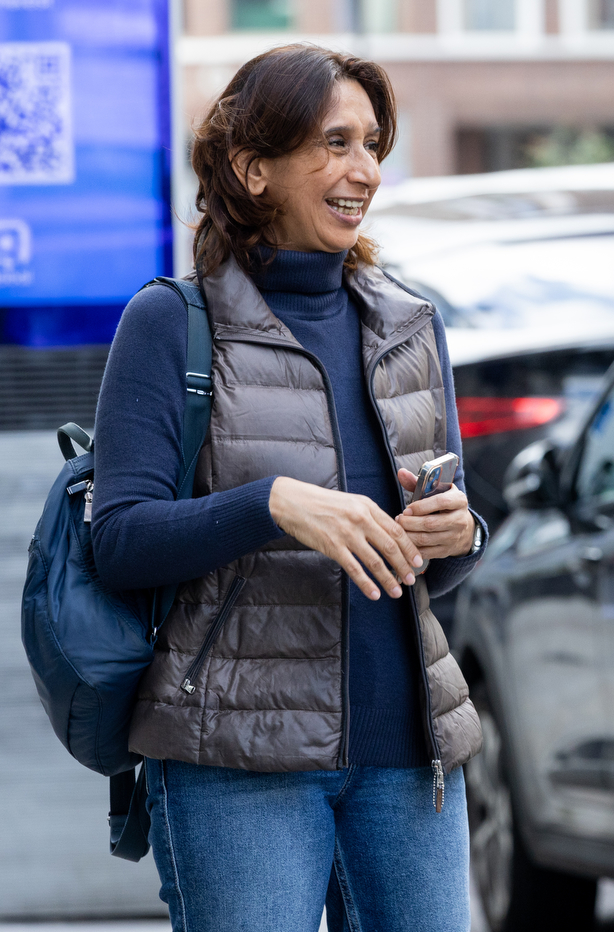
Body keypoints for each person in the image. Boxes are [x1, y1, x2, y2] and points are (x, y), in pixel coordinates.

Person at [92, 45, 486, 931]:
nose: (364, 171)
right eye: (335, 143)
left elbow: (437, 563)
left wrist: (457, 537)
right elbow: (120, 540)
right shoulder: (172, 323)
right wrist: (272, 504)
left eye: (373, 145)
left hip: (408, 757)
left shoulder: (410, 325)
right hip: (238, 759)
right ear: (252, 167)